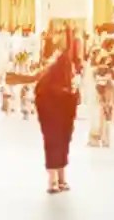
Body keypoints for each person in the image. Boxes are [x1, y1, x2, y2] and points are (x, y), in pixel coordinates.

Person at [34, 24, 79, 194]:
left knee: (62, 139)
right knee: (54, 139)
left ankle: (60, 175)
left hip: (62, 102)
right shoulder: (52, 57)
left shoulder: (66, 58)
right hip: (50, 102)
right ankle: (53, 176)